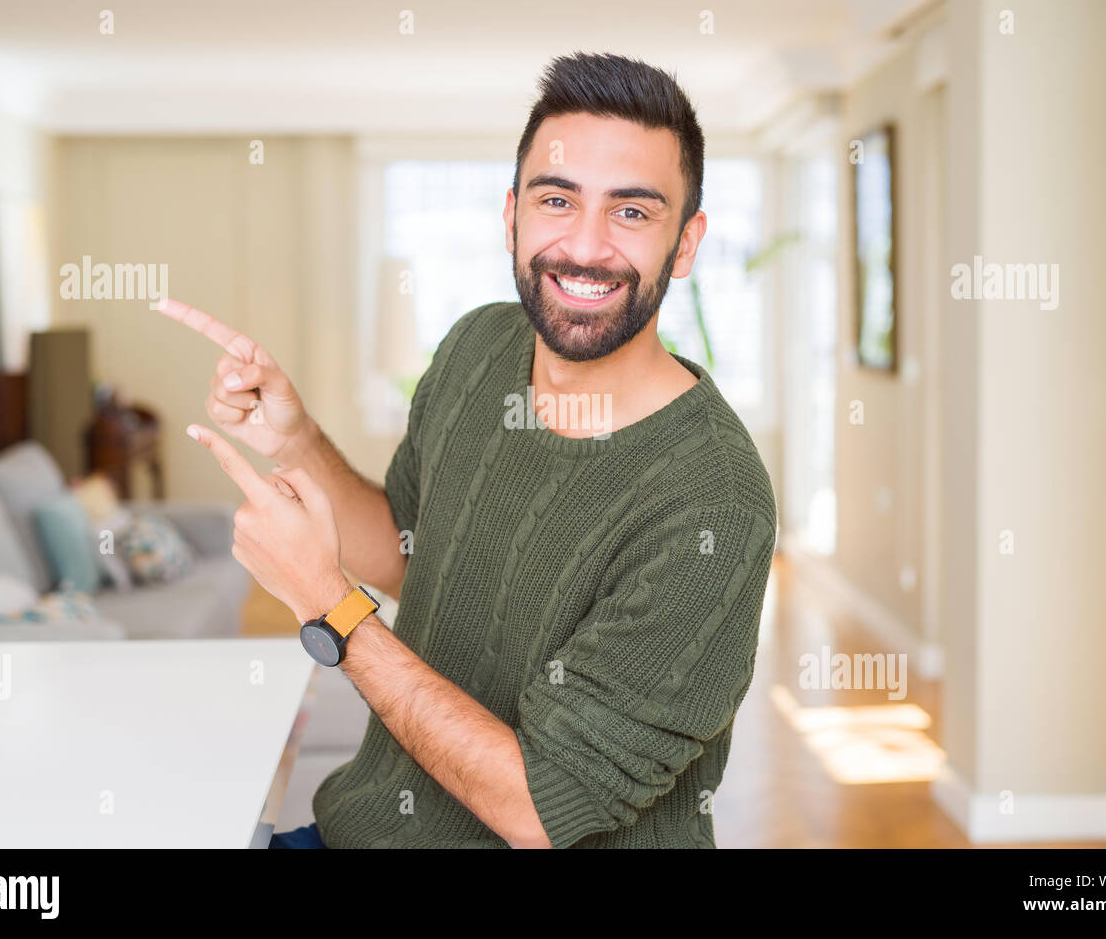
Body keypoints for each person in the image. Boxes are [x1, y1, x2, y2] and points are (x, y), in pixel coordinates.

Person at [160, 52, 777, 848]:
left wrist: (328, 608)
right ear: (512, 215)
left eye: (632, 212)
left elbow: (539, 808)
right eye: (558, 200)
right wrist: (296, 441)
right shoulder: (480, 346)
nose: (585, 247)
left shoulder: (712, 501)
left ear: (685, 245)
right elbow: (409, 553)